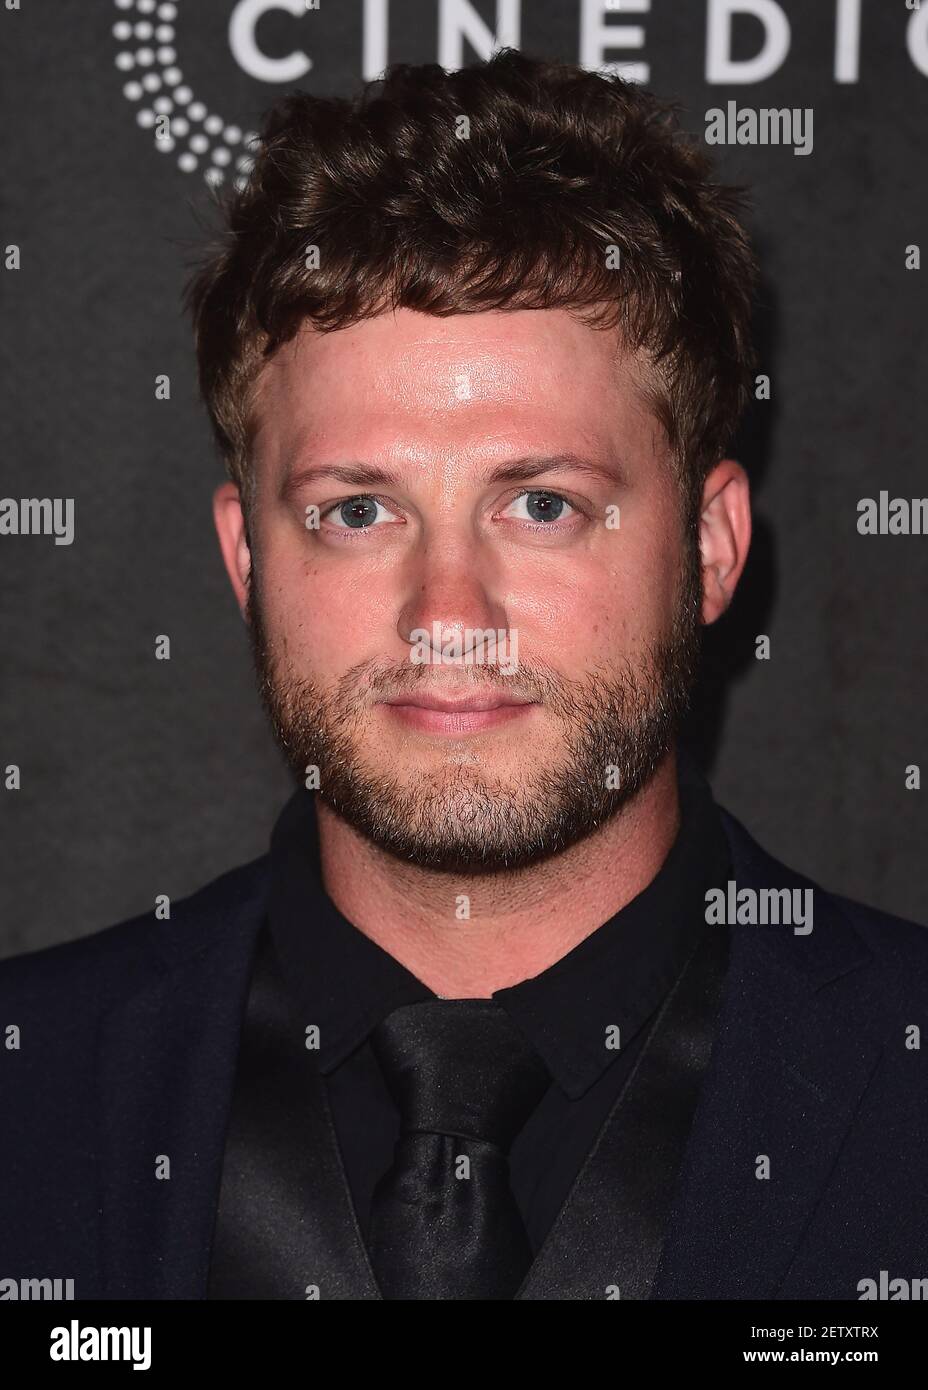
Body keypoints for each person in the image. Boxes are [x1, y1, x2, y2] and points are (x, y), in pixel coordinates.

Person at [2, 49, 925, 1302]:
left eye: (540, 503)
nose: (449, 614)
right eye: (356, 511)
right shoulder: (31, 1089)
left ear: (707, 549)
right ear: (244, 558)